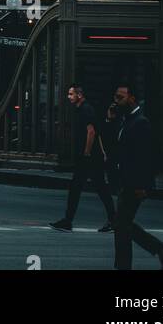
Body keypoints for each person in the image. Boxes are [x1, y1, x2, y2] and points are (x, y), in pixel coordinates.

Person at [112, 82, 163, 272]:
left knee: (121, 225)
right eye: (116, 97)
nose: (116, 101)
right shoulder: (126, 120)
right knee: (122, 224)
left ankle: (125, 265)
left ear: (132, 98)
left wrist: (141, 186)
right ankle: (160, 249)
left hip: (134, 183)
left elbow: (145, 157)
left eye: (120, 97)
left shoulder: (141, 122)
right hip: (127, 181)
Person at [51, 85, 115, 233]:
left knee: (82, 188)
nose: (68, 96)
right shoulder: (84, 109)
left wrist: (86, 153)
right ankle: (112, 219)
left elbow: (91, 132)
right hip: (93, 156)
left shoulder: (86, 109)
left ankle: (68, 221)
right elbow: (97, 132)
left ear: (79, 95)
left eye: (71, 94)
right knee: (97, 188)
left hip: (89, 157)